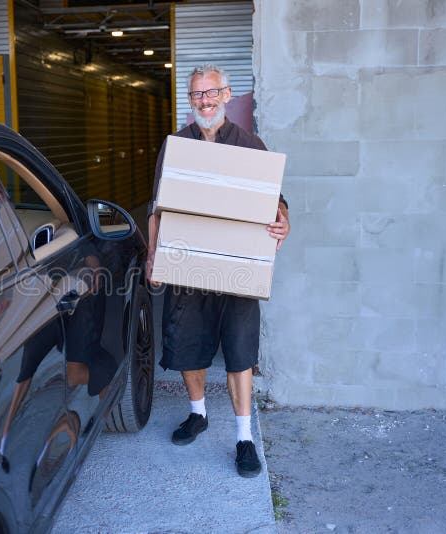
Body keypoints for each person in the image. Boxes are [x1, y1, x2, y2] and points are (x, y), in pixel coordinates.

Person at [146, 64, 290, 478]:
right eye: (196, 95)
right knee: (187, 343)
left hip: (237, 269)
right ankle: (198, 414)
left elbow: (276, 203)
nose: (204, 101)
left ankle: (244, 438)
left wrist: (284, 220)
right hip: (187, 264)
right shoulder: (176, 145)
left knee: (239, 350)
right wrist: (155, 256)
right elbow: (158, 207)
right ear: (189, 101)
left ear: (227, 95)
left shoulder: (249, 144)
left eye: (211, 93)